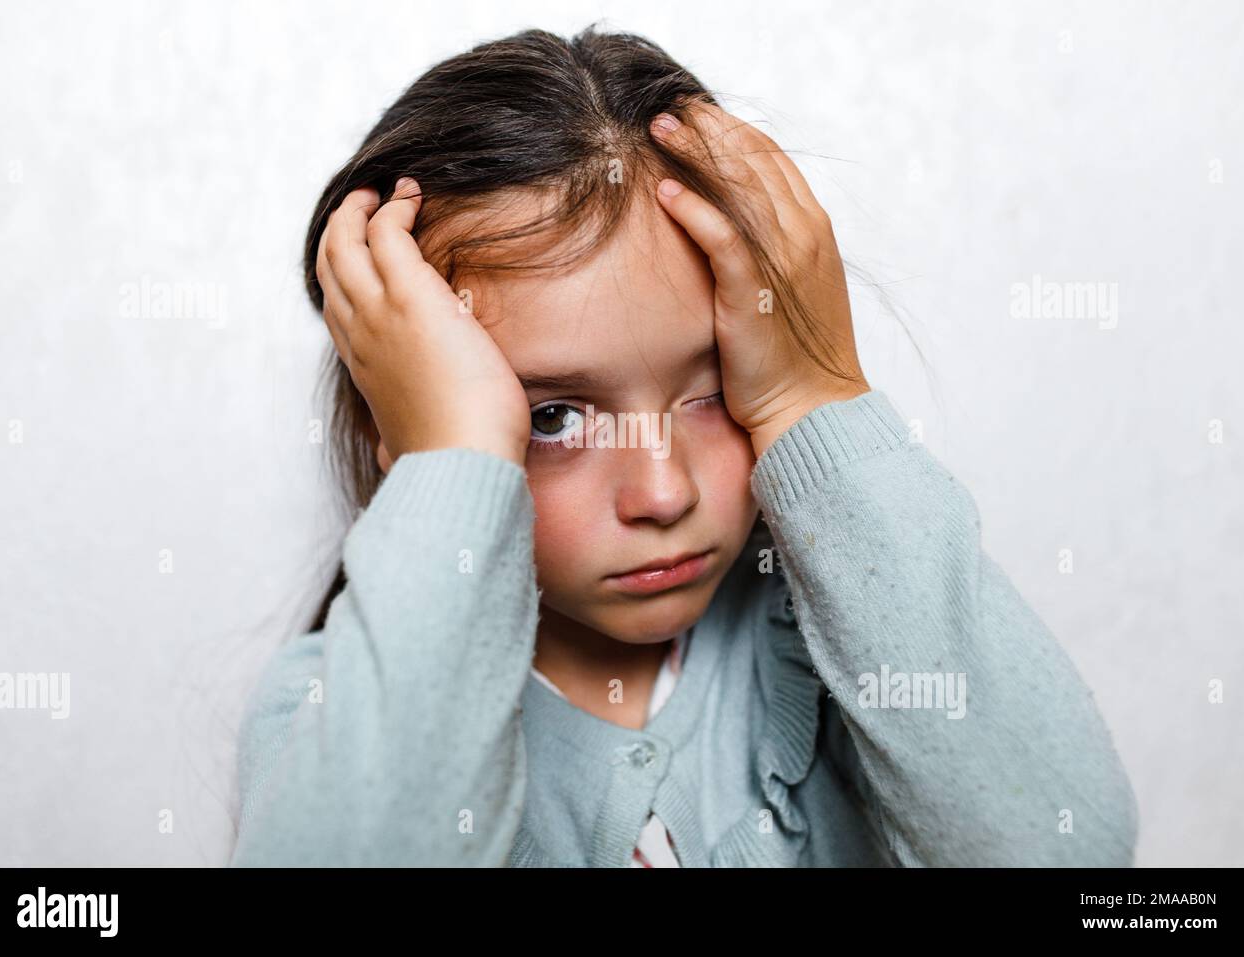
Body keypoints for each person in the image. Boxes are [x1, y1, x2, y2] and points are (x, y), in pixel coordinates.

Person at [228, 25, 1138, 867]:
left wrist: (809, 393)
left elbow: (1065, 850)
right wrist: (457, 465)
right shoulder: (324, 719)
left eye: (717, 390)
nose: (663, 493)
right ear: (398, 429)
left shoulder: (851, 657)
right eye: (551, 417)